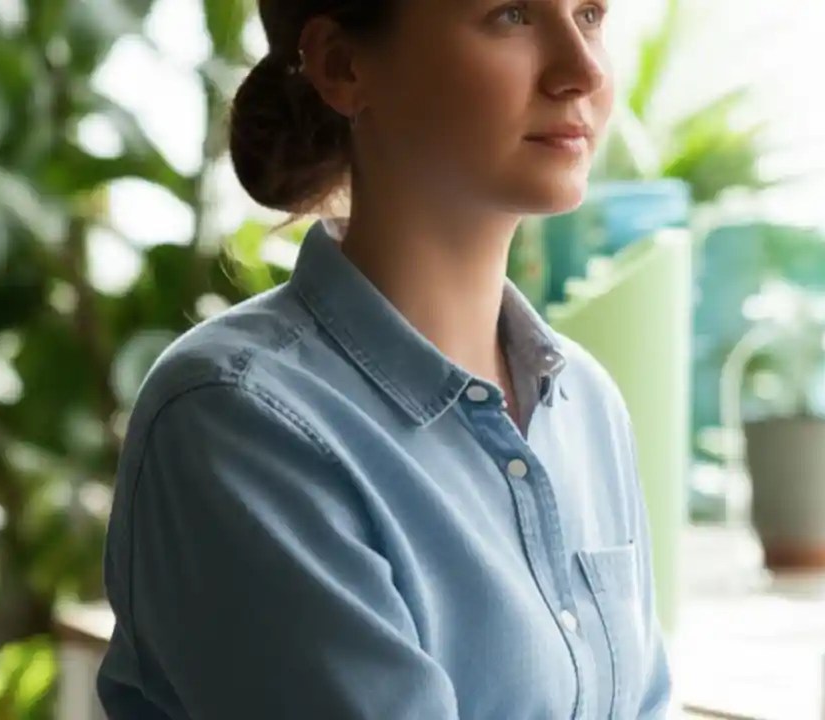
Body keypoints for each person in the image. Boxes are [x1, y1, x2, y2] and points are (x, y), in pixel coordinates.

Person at [95, 0, 673, 717]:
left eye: (589, 15)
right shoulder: (235, 419)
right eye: (513, 15)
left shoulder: (584, 403)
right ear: (344, 65)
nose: (583, 71)